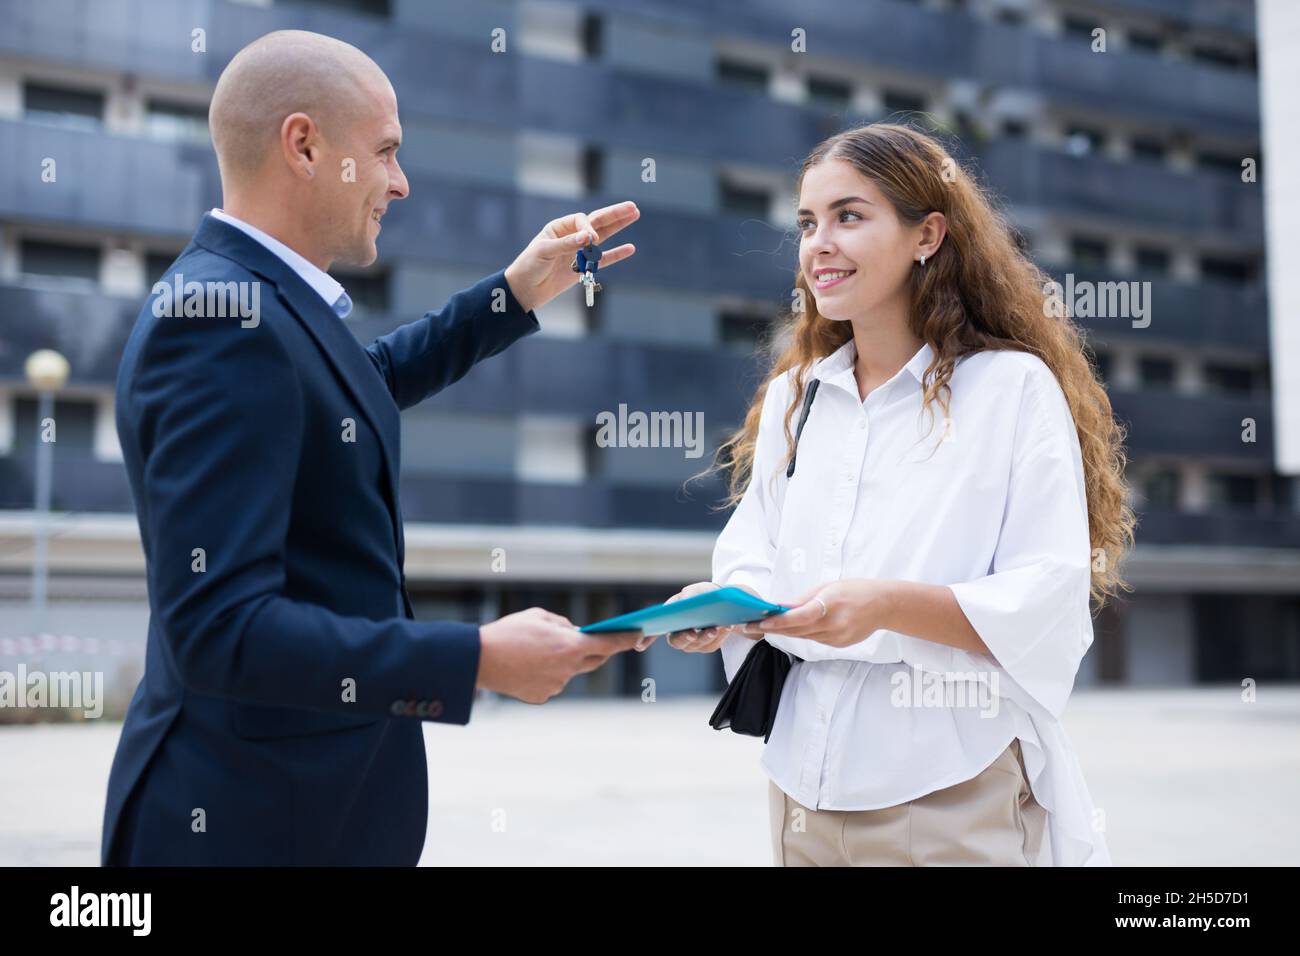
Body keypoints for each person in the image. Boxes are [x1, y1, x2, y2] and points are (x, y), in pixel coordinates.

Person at [102, 29, 645, 866]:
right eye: (386, 152)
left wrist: (515, 293)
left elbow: (359, 384)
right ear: (305, 145)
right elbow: (219, 630)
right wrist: (474, 659)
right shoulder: (219, 323)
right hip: (241, 828)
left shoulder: (261, 301)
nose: (400, 181)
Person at [664, 123, 1133, 866]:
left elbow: (1048, 594)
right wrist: (730, 607)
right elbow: (753, 552)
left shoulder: (1009, 389)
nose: (819, 242)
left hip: (946, 783)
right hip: (801, 784)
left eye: (849, 216)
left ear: (927, 235)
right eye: (808, 222)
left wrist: (882, 607)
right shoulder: (798, 395)